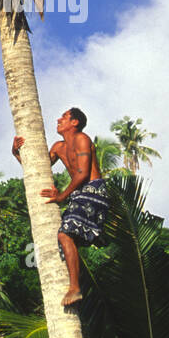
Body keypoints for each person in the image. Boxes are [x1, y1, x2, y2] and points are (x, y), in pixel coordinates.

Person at [11, 108, 109, 307]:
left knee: (65, 235)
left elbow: (82, 174)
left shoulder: (82, 139)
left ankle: (75, 288)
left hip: (93, 191)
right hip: (78, 195)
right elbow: (36, 168)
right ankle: (79, 287)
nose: (58, 119)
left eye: (64, 117)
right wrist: (15, 152)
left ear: (74, 122)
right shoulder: (58, 147)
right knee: (65, 240)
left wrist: (61, 197)